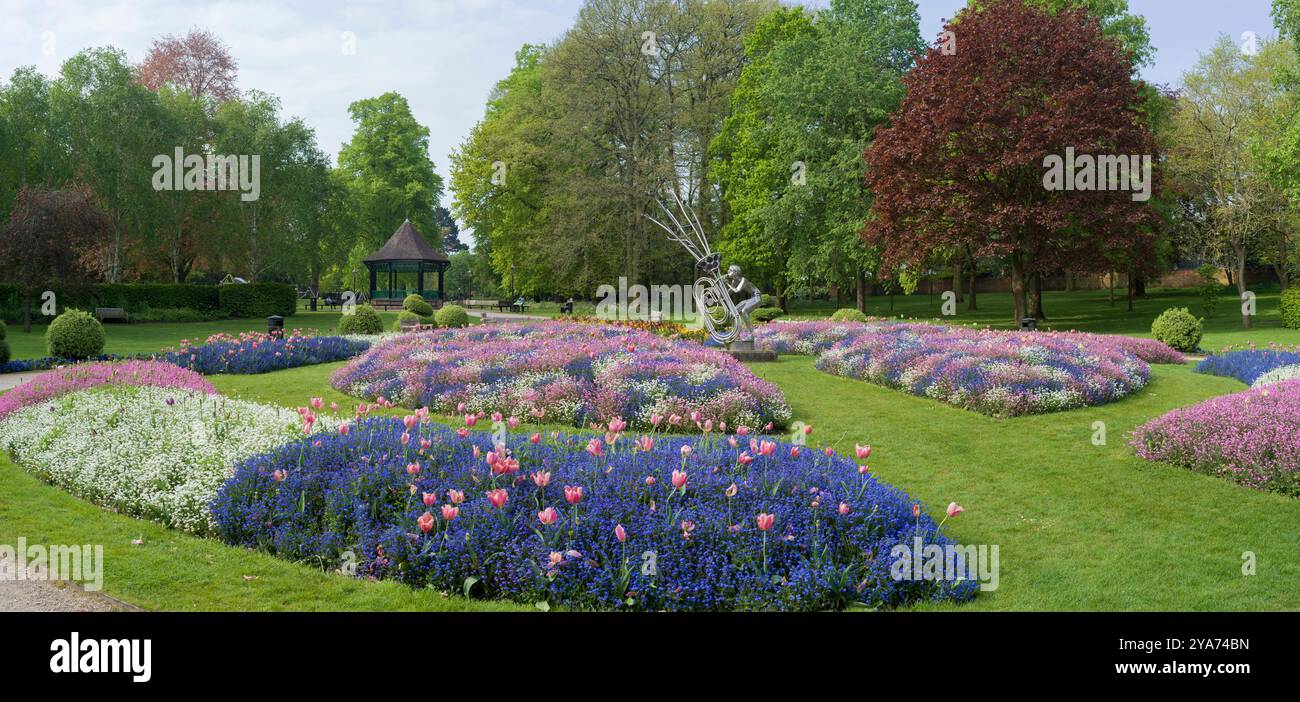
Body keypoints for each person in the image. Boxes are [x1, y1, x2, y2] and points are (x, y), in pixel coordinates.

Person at [723, 264, 761, 341]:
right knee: (733, 313)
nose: (728, 271)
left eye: (730, 270)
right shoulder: (734, 281)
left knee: (744, 311)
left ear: (735, 272)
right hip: (752, 298)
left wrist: (727, 283)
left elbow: (736, 290)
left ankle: (751, 335)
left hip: (757, 297)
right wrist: (722, 290)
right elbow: (730, 292)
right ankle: (736, 335)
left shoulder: (743, 280)